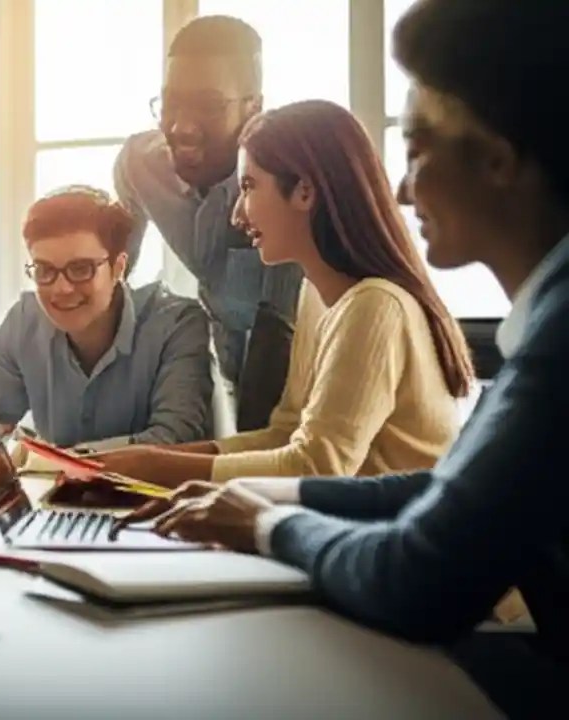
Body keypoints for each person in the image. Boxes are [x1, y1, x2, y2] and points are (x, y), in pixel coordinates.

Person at [115, 1, 569, 712]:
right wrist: (249, 497)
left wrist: (265, 520)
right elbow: (431, 491)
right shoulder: (543, 325)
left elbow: (418, 574)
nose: (403, 185)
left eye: (419, 149)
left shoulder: (546, 345)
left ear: (497, 160)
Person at [94, 100, 474, 489]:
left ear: (305, 192)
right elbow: (288, 433)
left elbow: (318, 465)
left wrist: (156, 468)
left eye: (249, 186)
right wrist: (148, 460)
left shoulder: (376, 306)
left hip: (390, 540)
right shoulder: (315, 293)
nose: (237, 215)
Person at [114, 15, 304, 431]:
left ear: (254, 108)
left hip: (311, 400)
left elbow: (276, 338)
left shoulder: (287, 186)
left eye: (209, 106)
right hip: (230, 382)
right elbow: (108, 275)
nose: (181, 126)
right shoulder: (140, 166)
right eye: (170, 104)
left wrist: (229, 469)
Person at [0, 185, 212, 452]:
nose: (61, 289)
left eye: (81, 269)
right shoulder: (24, 321)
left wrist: (54, 460)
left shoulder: (178, 326)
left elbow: (173, 442)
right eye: (44, 270)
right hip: (53, 492)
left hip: (156, 494)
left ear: (118, 268)